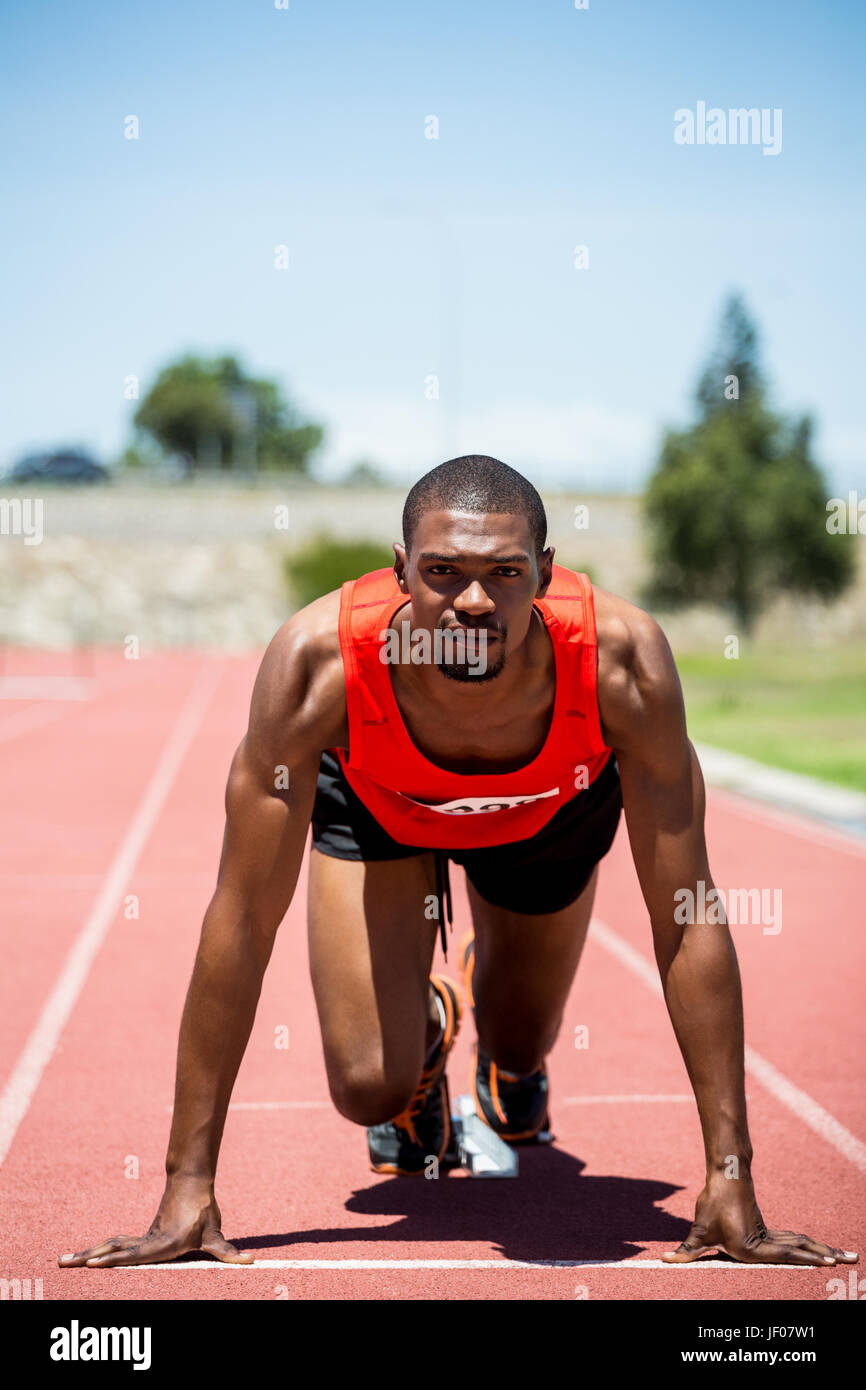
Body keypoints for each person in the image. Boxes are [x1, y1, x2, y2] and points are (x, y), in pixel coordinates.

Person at [59, 455, 858, 1270]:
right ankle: (428, 1024)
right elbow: (240, 918)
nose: (473, 601)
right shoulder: (318, 665)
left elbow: (688, 917)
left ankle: (490, 1026)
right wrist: (185, 1184)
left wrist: (731, 1173)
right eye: (443, 572)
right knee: (369, 1084)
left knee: (518, 1046)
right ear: (400, 570)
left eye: (504, 573)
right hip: (380, 809)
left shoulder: (621, 663)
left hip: (553, 814)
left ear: (545, 575)